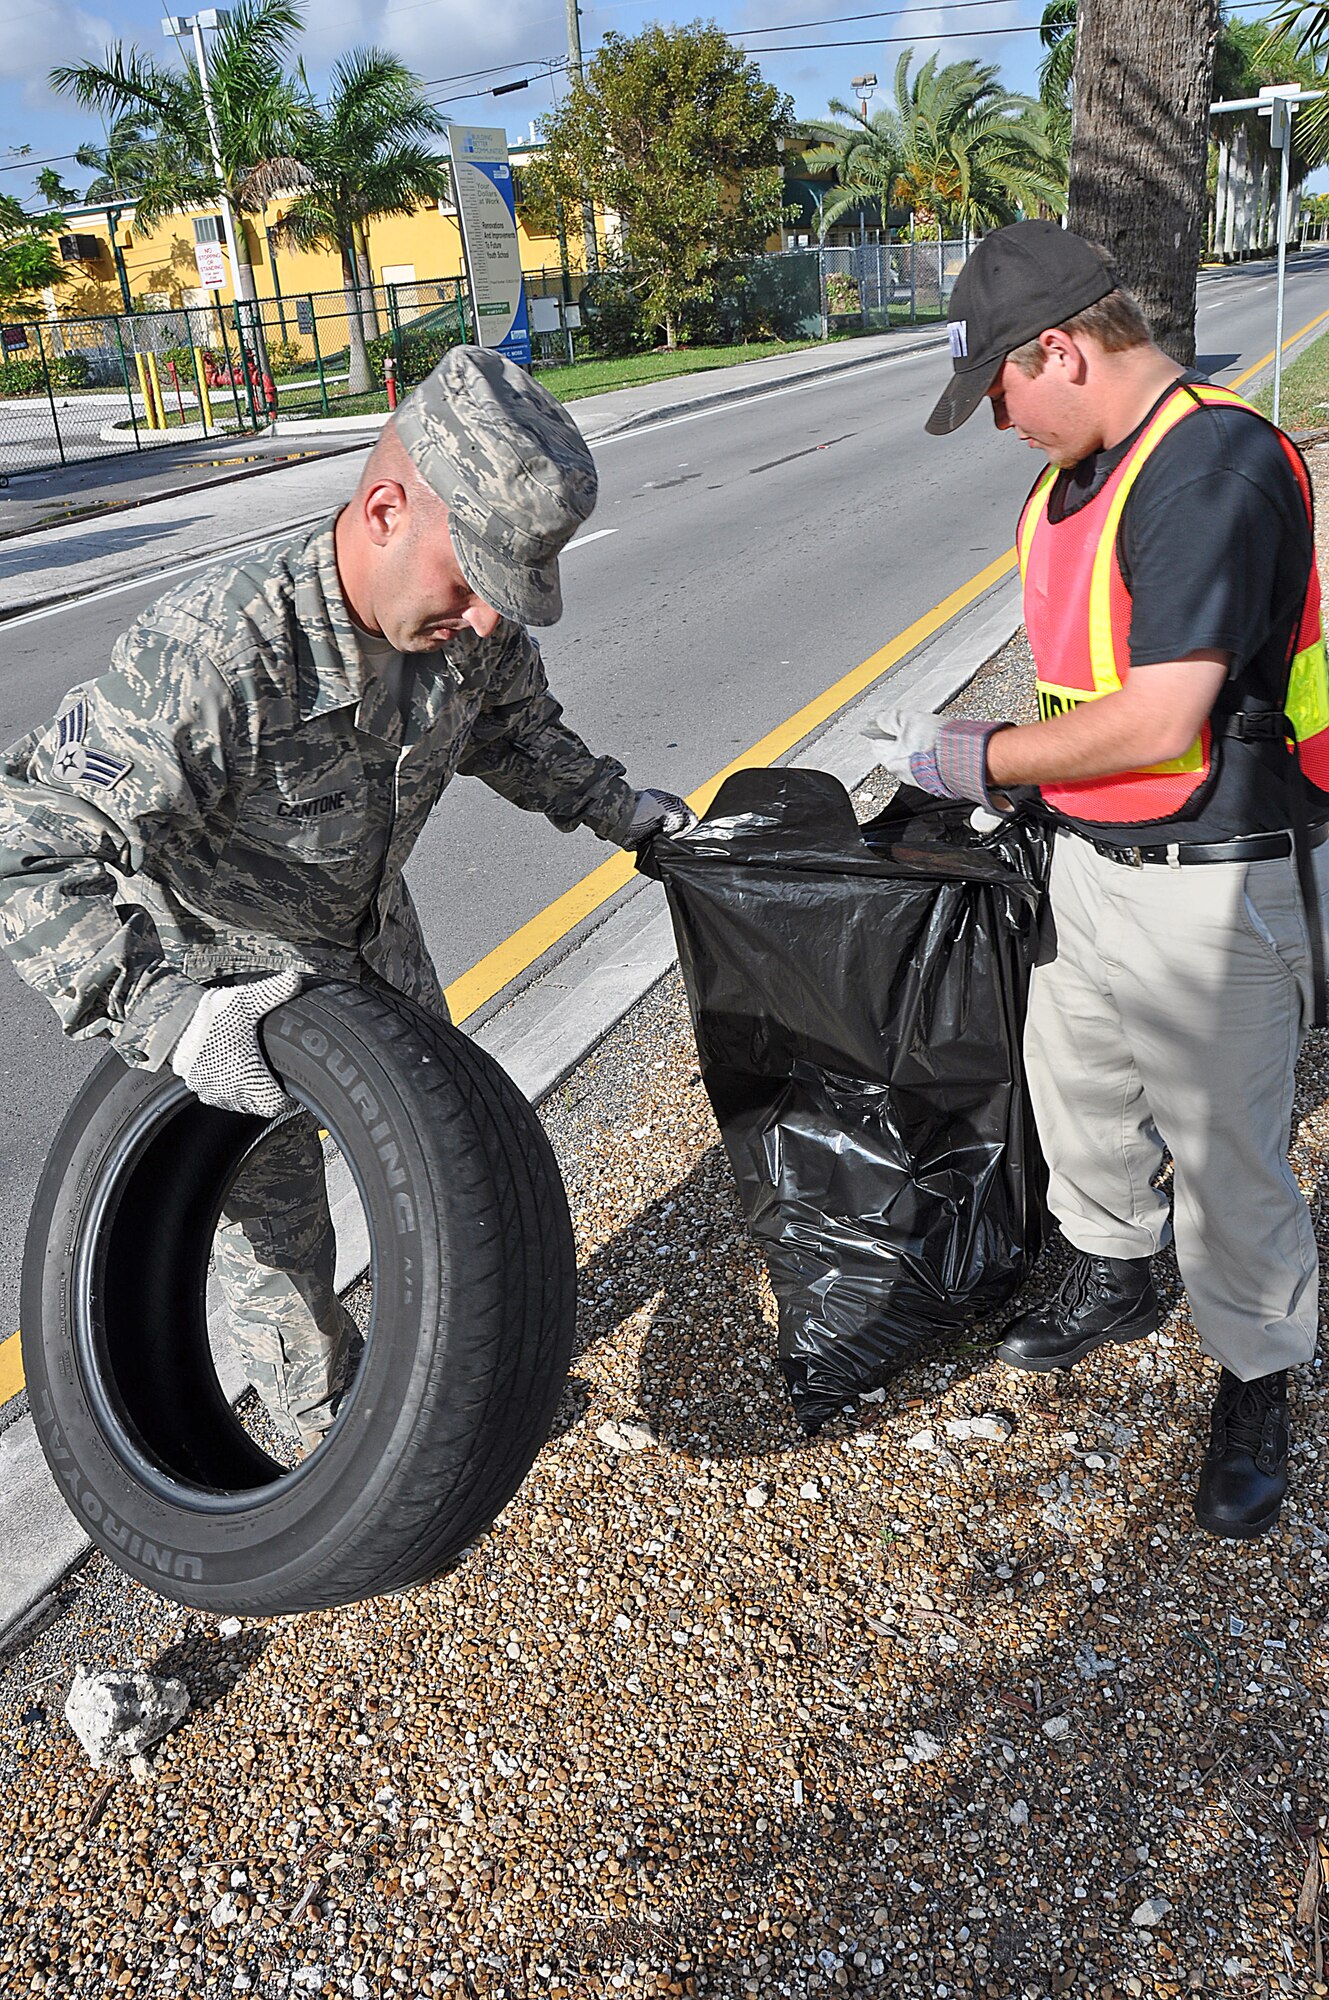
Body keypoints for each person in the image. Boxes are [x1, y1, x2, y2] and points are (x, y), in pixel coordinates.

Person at [0, 345, 692, 1451]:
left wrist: (625, 812)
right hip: (239, 988)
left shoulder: (471, 631)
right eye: (468, 580)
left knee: (447, 1170)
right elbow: (27, 840)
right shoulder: (222, 650)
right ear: (382, 511)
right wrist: (170, 1022)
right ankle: (342, 1451)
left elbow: (516, 736)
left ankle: (468, 1395)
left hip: (373, 943)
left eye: (502, 597)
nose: (482, 621)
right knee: (280, 1236)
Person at [871, 219, 1329, 1540]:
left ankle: (1259, 1370)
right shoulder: (1074, 480)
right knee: (1079, 1090)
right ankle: (1114, 1274)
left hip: (1213, 871)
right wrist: (1007, 779)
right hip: (1092, 852)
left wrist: (977, 759)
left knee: (1228, 1149)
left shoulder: (1212, 467)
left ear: (1060, 350)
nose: (1000, 422)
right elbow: (1080, 679)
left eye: (999, 391)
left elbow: (1161, 715)